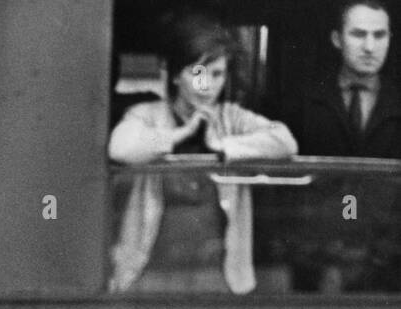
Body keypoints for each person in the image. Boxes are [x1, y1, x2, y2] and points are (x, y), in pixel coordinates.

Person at [107, 13, 297, 293]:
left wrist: (224, 147)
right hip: (151, 274)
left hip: (217, 277)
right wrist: (175, 136)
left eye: (217, 74)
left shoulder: (231, 118)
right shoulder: (146, 115)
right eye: (197, 73)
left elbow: (285, 142)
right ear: (174, 75)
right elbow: (120, 148)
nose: (207, 85)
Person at [280, 2, 400, 291]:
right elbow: (284, 190)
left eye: (379, 35)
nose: (370, 46)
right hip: (316, 257)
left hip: (390, 262)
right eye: (358, 34)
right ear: (337, 39)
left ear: (390, 39)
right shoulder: (302, 103)